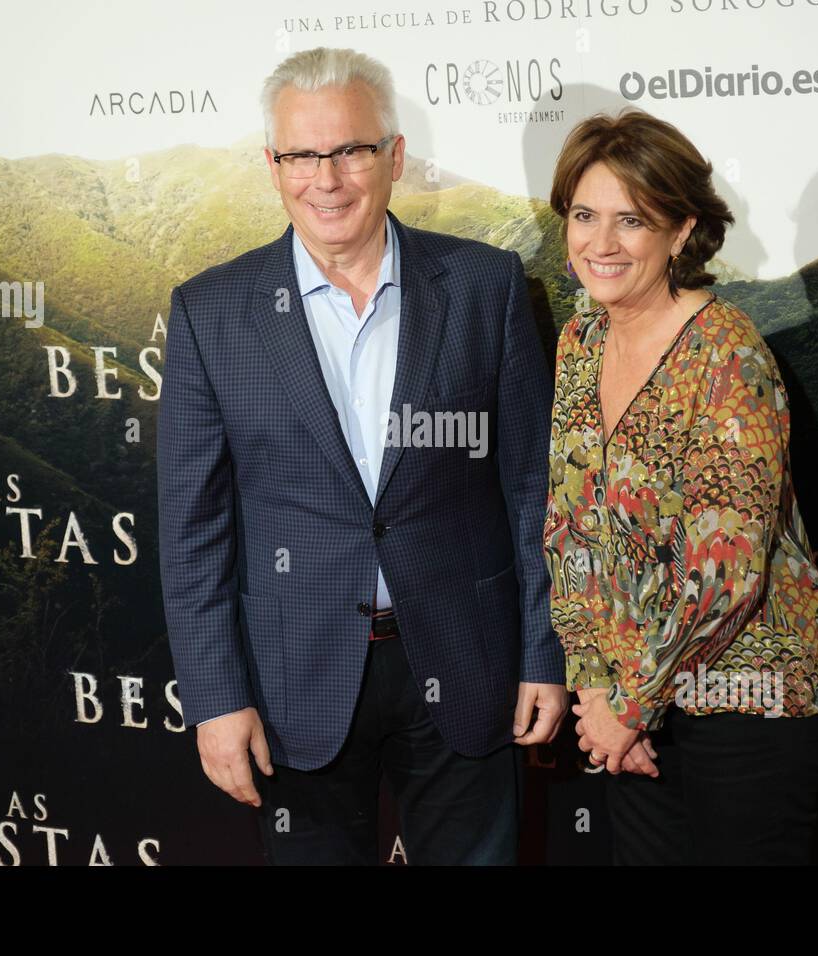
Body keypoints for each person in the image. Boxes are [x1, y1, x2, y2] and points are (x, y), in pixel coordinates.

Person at [156, 46, 566, 865]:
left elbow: (532, 489)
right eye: (303, 155)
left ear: (395, 157)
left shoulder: (485, 286)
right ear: (272, 166)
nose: (328, 178)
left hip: (464, 655)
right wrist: (214, 697)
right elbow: (191, 528)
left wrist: (542, 652)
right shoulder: (211, 313)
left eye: (350, 150)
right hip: (292, 679)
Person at [543, 108, 818, 864]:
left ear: (681, 232)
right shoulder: (580, 340)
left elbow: (726, 570)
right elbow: (571, 529)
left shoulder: (724, 350)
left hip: (747, 699)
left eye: (630, 220)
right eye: (584, 215)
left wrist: (629, 706)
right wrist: (596, 690)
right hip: (633, 703)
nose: (600, 243)